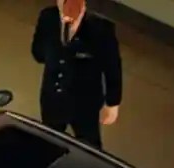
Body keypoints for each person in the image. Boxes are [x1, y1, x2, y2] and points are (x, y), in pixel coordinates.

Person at [31, 0, 123, 149]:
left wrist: (112, 103)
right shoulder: (48, 17)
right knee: (50, 141)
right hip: (53, 97)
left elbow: (112, 66)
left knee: (90, 145)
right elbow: (38, 53)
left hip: (84, 103)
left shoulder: (101, 29)